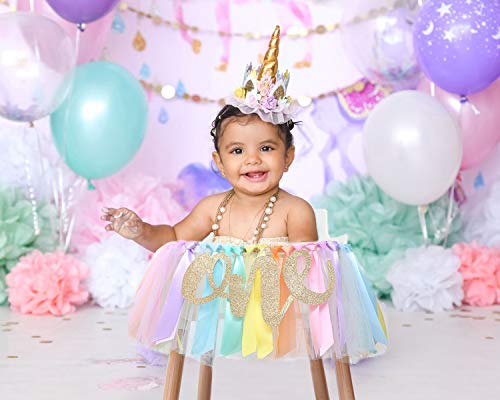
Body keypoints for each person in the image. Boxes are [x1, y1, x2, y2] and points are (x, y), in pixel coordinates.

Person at [101, 26, 386, 400]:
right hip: (219, 297)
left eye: (266, 148)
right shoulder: (213, 208)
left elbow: (306, 273)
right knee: (186, 284)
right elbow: (171, 239)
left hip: (278, 304)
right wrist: (139, 230)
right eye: (237, 151)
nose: (252, 159)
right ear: (218, 162)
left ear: (288, 156)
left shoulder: (294, 210)